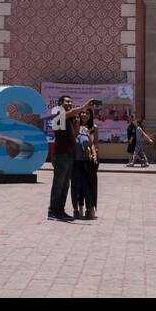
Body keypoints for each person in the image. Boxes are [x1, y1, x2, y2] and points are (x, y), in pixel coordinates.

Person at [47, 94, 96, 222]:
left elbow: (74, 134)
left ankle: (60, 210)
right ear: (59, 104)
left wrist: (77, 123)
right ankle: (52, 211)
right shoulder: (58, 113)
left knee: (65, 185)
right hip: (61, 154)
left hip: (69, 155)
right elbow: (73, 112)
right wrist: (85, 106)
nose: (70, 103)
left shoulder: (69, 119)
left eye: (71, 102)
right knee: (58, 184)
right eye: (67, 101)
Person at [71, 110, 95, 220]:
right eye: (74, 117)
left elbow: (91, 143)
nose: (77, 119)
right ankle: (75, 210)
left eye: (78, 117)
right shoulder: (69, 132)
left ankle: (89, 210)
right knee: (75, 187)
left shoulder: (85, 129)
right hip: (74, 163)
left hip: (86, 162)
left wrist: (94, 154)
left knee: (87, 187)